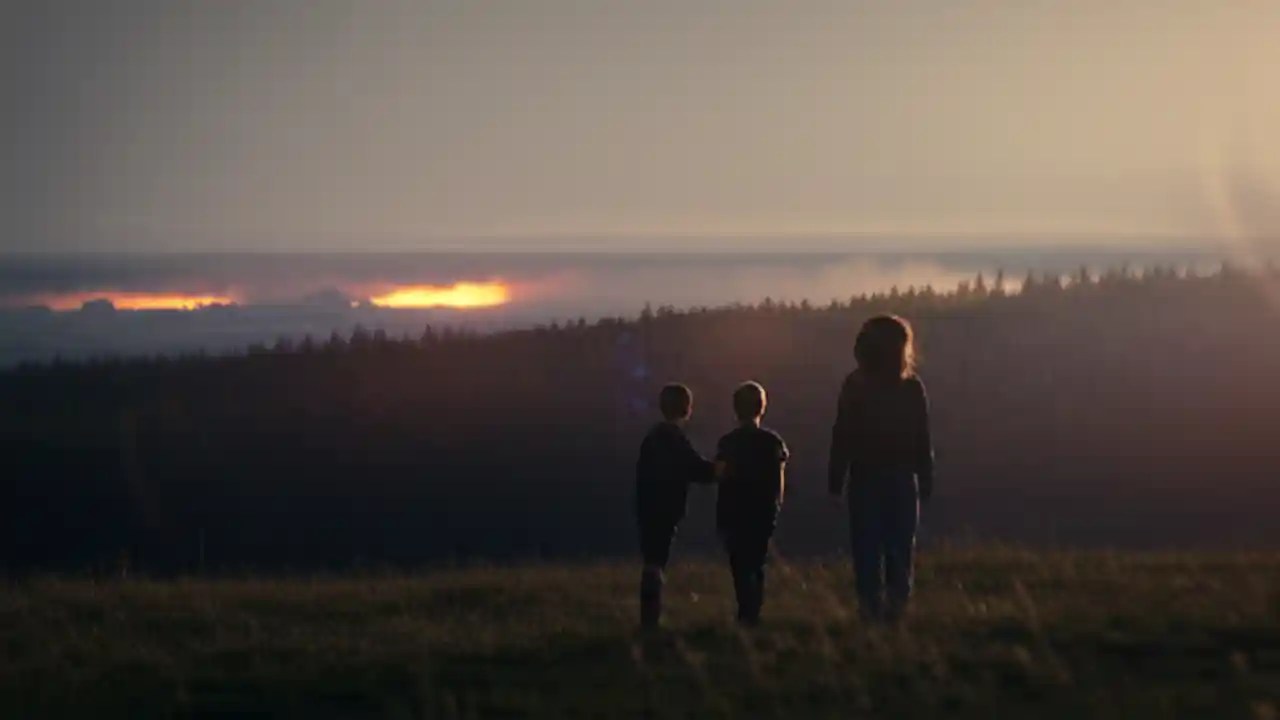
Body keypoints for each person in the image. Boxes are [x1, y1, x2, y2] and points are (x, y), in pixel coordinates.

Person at [827, 314, 934, 623]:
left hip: (864, 477)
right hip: (902, 477)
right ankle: (897, 610)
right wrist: (926, 478)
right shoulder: (912, 387)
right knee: (900, 547)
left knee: (867, 547)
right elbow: (921, 437)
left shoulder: (855, 385)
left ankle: (869, 608)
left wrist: (835, 481)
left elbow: (842, 435)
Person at [634, 383, 716, 627]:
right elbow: (696, 468)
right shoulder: (673, 438)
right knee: (656, 562)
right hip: (665, 509)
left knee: (653, 560)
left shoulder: (653, 437)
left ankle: (650, 617)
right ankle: (651, 619)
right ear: (687, 409)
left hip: (648, 507)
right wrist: (722, 470)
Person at [716, 381, 789, 626]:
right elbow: (778, 482)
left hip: (734, 512)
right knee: (757, 562)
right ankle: (753, 610)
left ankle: (744, 609)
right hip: (761, 512)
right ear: (762, 408)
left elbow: (721, 476)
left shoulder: (727, 443)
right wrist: (776, 506)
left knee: (739, 563)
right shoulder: (772, 442)